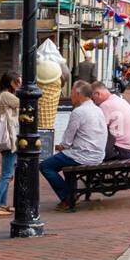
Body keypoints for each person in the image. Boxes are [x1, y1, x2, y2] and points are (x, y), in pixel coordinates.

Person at [40, 80, 107, 210]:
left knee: (45, 166)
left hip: (83, 155)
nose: (70, 96)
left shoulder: (79, 112)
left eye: (71, 93)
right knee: (66, 160)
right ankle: (70, 196)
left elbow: (67, 142)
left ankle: (67, 197)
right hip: (98, 154)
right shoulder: (97, 109)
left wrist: (59, 146)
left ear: (78, 94)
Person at [0, 73, 19, 216]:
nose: (19, 84)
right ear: (11, 82)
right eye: (17, 81)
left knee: (8, 173)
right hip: (9, 138)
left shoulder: (1, 94)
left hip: (8, 138)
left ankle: (3, 203)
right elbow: (24, 102)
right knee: (7, 174)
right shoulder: (6, 95)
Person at [90, 80, 130, 161]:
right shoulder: (118, 100)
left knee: (84, 154)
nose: (93, 102)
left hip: (120, 150)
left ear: (97, 94)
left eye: (92, 98)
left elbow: (96, 130)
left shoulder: (105, 105)